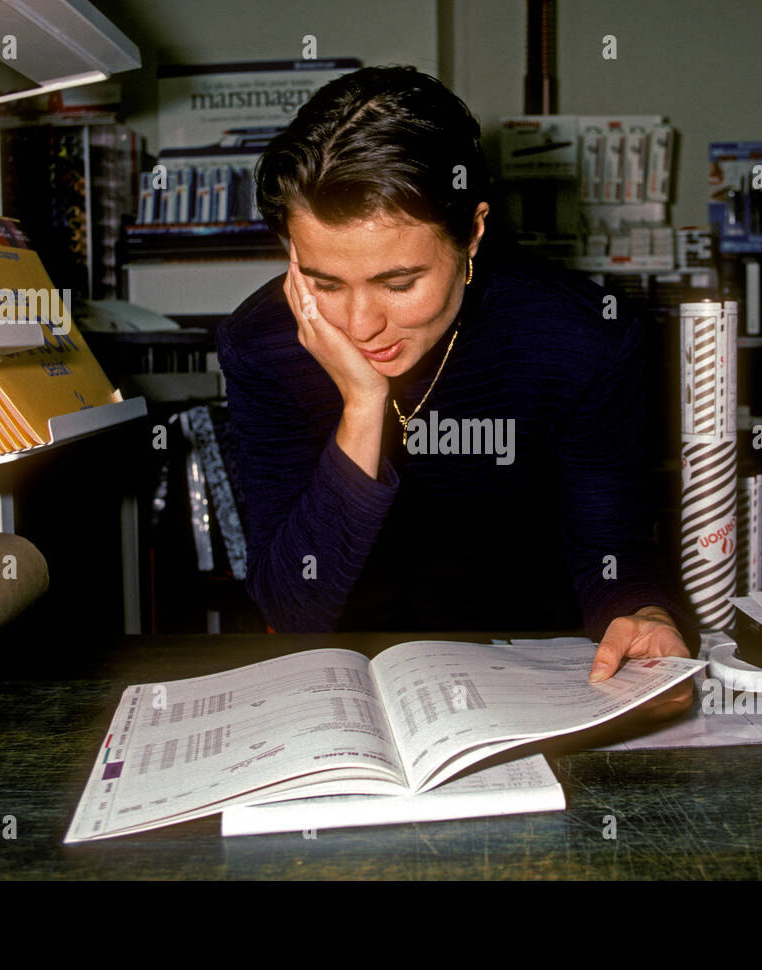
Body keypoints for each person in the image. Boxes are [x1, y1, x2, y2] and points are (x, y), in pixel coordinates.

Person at [217, 66, 699, 719]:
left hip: (537, 675)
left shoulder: (584, 339)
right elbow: (293, 605)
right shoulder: (261, 344)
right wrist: (363, 409)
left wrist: (642, 614)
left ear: (472, 232)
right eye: (325, 282)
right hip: (348, 691)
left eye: (398, 281)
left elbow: (609, 552)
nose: (360, 326)